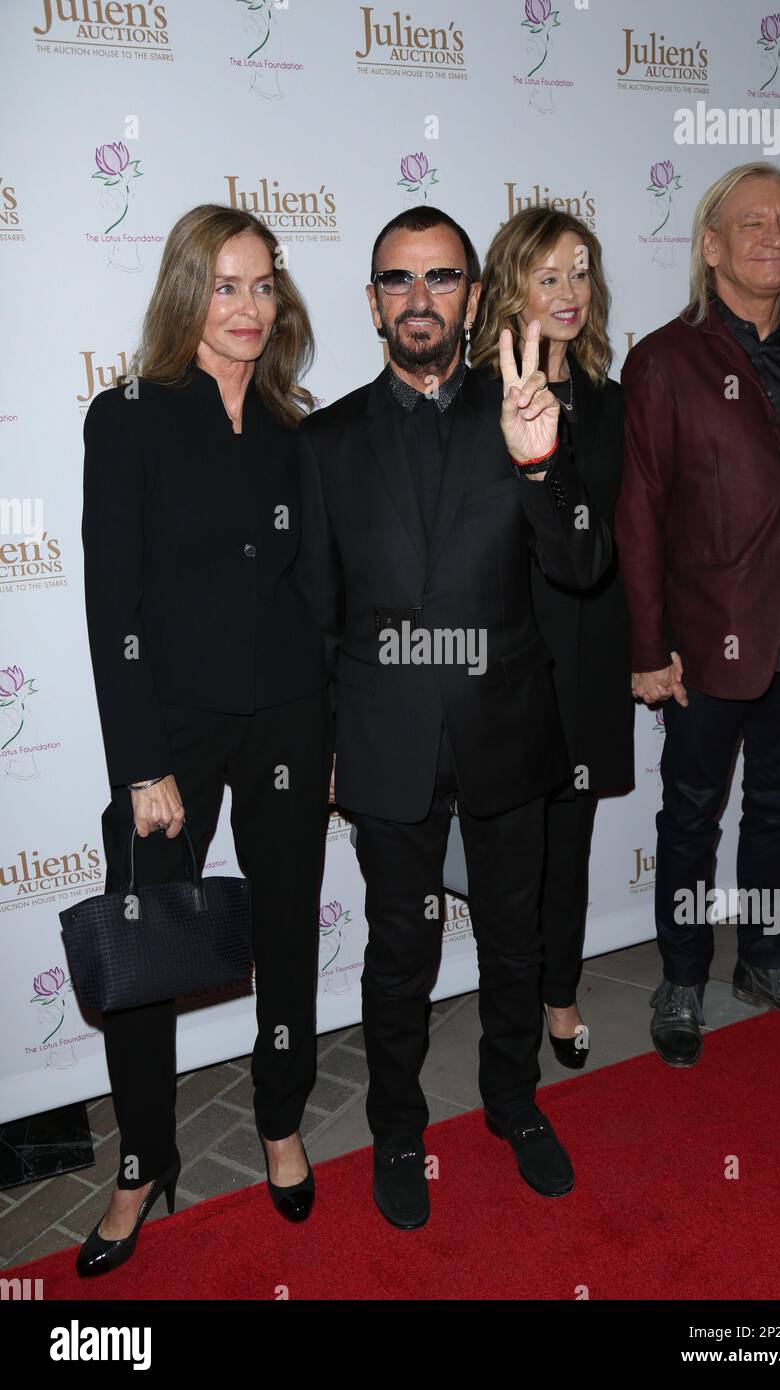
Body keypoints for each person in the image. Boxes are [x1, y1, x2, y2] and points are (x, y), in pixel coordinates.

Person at [296, 206, 610, 1229]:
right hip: (386, 741)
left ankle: (512, 1102)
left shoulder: (523, 406)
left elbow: (580, 563)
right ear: (374, 300)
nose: (418, 299)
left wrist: (537, 461)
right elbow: (318, 618)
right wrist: (329, 744)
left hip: (507, 727)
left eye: (441, 278)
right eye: (398, 280)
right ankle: (395, 1124)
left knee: (513, 938)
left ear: (475, 297)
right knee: (401, 948)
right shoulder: (329, 437)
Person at [78, 204, 331, 1275]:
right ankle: (141, 1160)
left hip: (284, 716)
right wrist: (141, 762)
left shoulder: (292, 425)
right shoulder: (130, 416)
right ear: (187, 292)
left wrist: (324, 741)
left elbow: (314, 593)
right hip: (169, 728)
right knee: (145, 954)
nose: (248, 307)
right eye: (226, 285)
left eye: (264, 285)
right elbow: (110, 599)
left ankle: (280, 1122)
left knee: (283, 928)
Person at [616, 163, 780, 1067]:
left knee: (778, 811)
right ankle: (683, 973)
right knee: (690, 816)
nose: (777, 238)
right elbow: (637, 514)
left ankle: (765, 958)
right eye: (753, 223)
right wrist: (649, 647)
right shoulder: (663, 360)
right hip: (704, 638)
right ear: (711, 245)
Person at [472, 207, 633, 1070]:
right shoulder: (472, 402)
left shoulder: (611, 400)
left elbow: (634, 531)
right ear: (511, 291)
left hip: (591, 646)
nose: (570, 292)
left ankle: (560, 997)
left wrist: (656, 645)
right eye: (547, 276)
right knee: (510, 852)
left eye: (581, 271)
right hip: (506, 654)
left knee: (568, 845)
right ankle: (508, 1010)